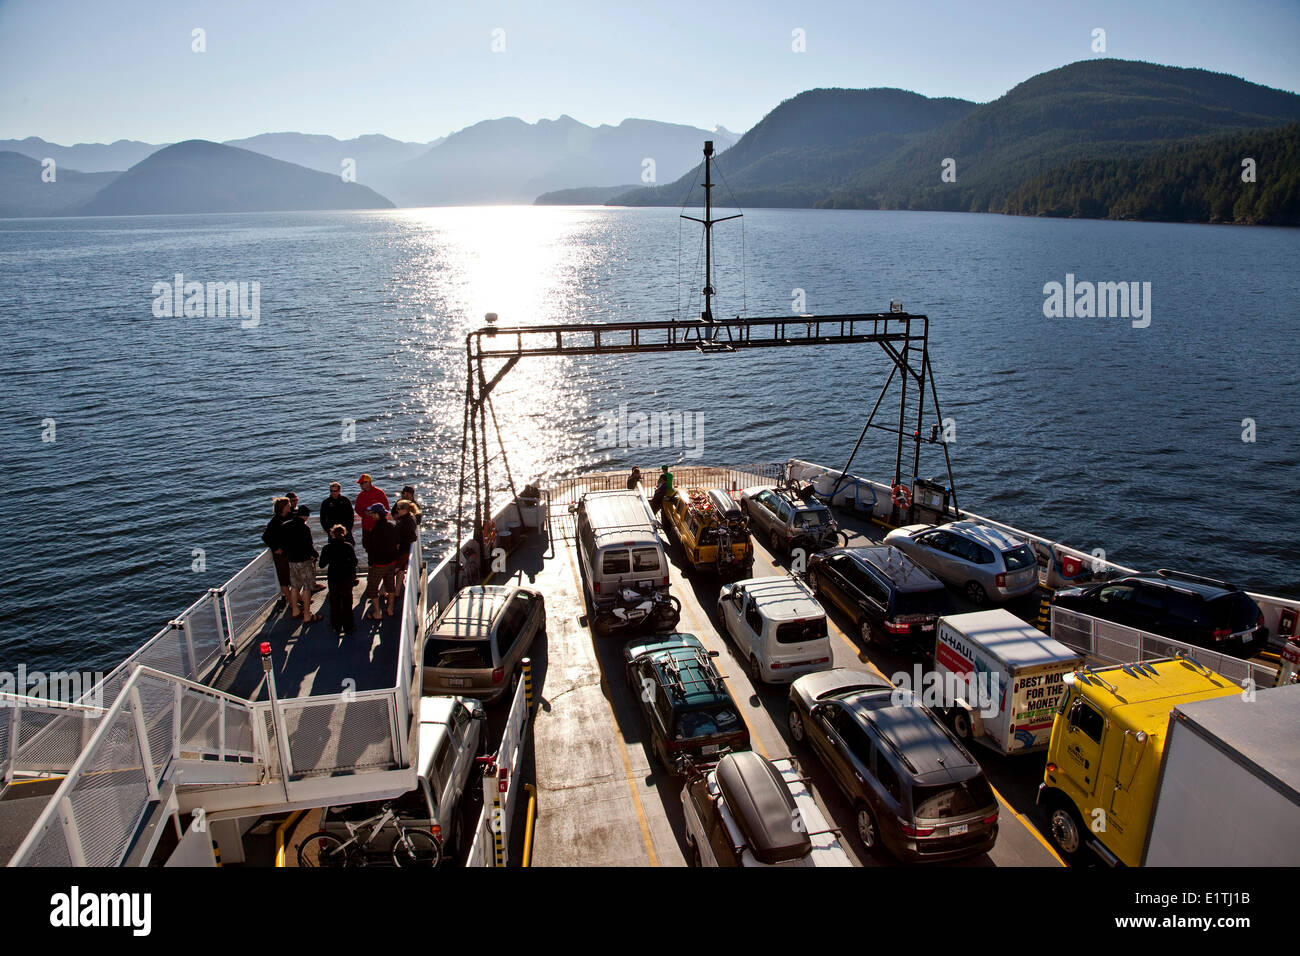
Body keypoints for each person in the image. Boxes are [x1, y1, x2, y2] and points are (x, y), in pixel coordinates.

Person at [318, 524, 358, 636]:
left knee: (334, 601)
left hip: (333, 577)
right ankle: (348, 626)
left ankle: (336, 626)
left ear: (332, 534)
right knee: (347, 601)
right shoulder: (348, 546)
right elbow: (354, 562)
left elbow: (321, 565)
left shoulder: (327, 548)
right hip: (346, 577)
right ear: (344, 533)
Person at [282, 505, 320, 621]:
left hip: (291, 560)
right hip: (304, 560)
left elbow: (283, 542)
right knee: (307, 587)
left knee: (294, 587)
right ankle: (307, 615)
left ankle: (295, 610)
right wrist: (315, 555)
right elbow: (309, 546)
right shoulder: (305, 528)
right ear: (306, 516)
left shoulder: (285, 526)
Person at [364, 503, 401, 621]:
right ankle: (390, 609)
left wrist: (370, 563)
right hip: (391, 562)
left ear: (377, 515)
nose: (371, 516)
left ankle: (377, 613)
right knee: (390, 585)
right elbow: (397, 543)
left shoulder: (375, 530)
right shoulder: (392, 527)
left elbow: (371, 549)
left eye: (372, 513)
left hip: (379, 564)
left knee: (372, 588)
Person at [261, 497, 294, 606]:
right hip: (281, 555)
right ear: (283, 507)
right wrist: (276, 548)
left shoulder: (288, 517)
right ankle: (290, 601)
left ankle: (295, 599)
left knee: (292, 576)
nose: (290, 506)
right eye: (288, 504)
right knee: (284, 578)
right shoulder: (275, 521)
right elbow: (265, 537)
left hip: (288, 552)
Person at [355, 474, 390, 555]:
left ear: (368, 482)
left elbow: (386, 508)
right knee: (368, 547)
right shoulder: (360, 496)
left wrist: (377, 514)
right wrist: (364, 513)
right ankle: (371, 565)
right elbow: (357, 509)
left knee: (381, 547)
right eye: (360, 484)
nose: (361, 485)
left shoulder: (379, 493)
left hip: (379, 526)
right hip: (366, 527)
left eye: (362, 483)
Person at [393, 500, 420, 596]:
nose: (397, 511)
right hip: (405, 549)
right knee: (400, 570)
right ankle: (396, 591)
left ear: (405, 510)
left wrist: (399, 543)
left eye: (399, 509)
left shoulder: (406, 521)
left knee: (393, 570)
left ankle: (389, 591)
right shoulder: (410, 518)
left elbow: (411, 536)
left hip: (402, 550)